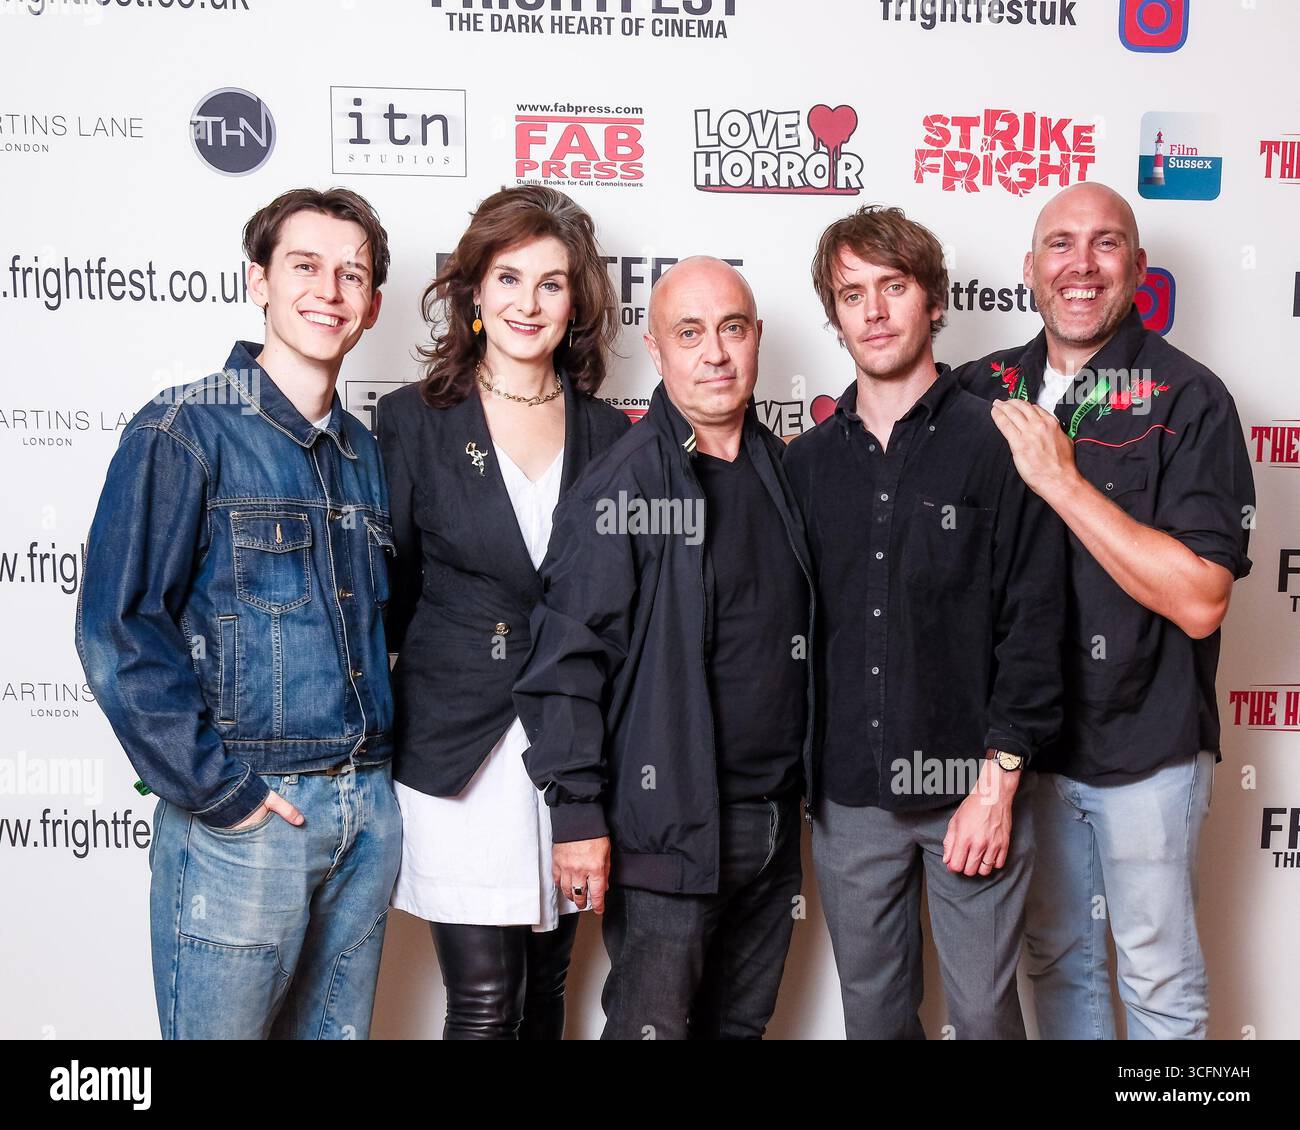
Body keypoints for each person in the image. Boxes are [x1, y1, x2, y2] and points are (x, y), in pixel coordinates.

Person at [75, 187, 401, 1039]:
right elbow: (117, 630)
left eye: (351, 274)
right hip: (249, 820)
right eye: (304, 266)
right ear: (258, 279)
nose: (328, 290)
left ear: (370, 306)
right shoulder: (185, 428)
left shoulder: (366, 454)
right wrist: (221, 793)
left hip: (366, 816)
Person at [954, 182, 1256, 1039]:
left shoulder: (1189, 398)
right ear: (1029, 268)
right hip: (1028, 751)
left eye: (1105, 244)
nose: (1080, 265)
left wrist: (1061, 481)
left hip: (1146, 746)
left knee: (1159, 977)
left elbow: (1201, 600)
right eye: (1060, 244)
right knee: (1056, 963)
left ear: (1137, 270)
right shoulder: (986, 389)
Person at [515, 256, 814, 1040]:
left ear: (756, 339)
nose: (714, 352)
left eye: (732, 329)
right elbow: (565, 659)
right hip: (670, 823)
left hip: (774, 823)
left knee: (738, 1030)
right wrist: (577, 813)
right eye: (691, 332)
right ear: (656, 349)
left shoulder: (779, 467)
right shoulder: (626, 486)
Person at [784, 204, 1064, 1039]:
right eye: (852, 293)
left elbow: (1035, 621)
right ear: (833, 316)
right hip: (848, 796)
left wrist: (999, 780)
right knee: (872, 1016)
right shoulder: (802, 466)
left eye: (894, 287)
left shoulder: (1001, 444)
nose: (874, 310)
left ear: (934, 300)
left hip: (968, 789)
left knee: (981, 1012)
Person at [376, 185, 627, 1040]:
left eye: (551, 283)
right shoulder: (412, 421)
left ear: (576, 302)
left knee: (549, 987)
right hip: (459, 756)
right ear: (474, 292)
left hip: (577, 756)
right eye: (508, 278)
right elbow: (390, 592)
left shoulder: (611, 433)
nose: (528, 303)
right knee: (484, 1002)